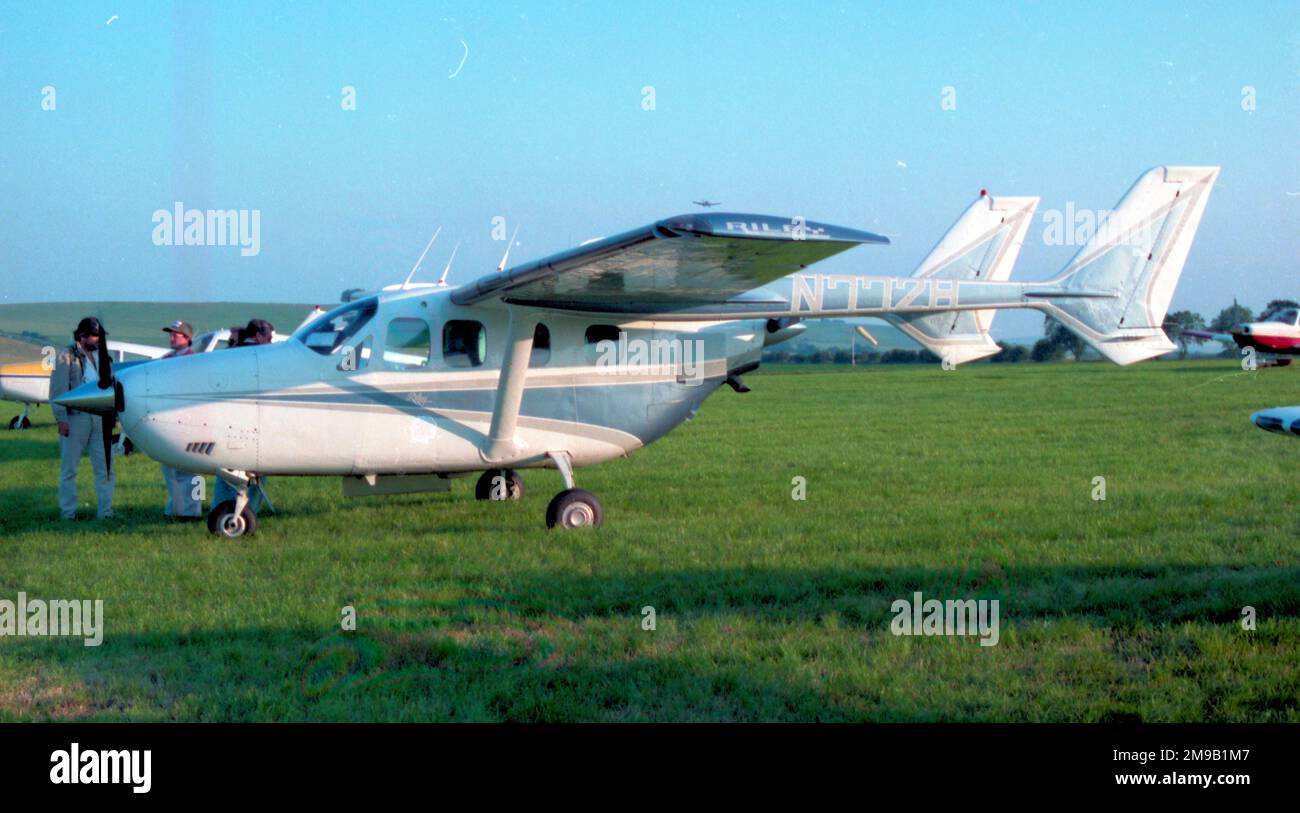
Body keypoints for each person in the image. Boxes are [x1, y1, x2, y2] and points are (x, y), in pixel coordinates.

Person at [48, 317, 115, 520]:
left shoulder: (103, 357)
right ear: (82, 335)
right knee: (70, 468)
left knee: (106, 468)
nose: (98, 340)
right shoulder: (65, 356)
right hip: (75, 416)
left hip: (100, 417)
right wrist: (61, 419)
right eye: (95, 336)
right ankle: (68, 513)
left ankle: (106, 513)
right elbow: (57, 391)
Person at [211, 318, 275, 516]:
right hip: (252, 426)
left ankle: (220, 508)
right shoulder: (263, 356)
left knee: (225, 473)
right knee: (255, 475)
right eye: (269, 337)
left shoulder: (231, 355)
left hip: (226, 424)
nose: (271, 342)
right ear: (259, 335)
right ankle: (247, 512)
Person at [159, 320, 203, 522]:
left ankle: (193, 510)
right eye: (170, 333)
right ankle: (176, 508)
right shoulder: (165, 359)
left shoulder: (194, 361)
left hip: (189, 422)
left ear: (187, 338)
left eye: (175, 334)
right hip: (168, 422)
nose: (171, 337)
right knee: (170, 469)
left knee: (192, 470)